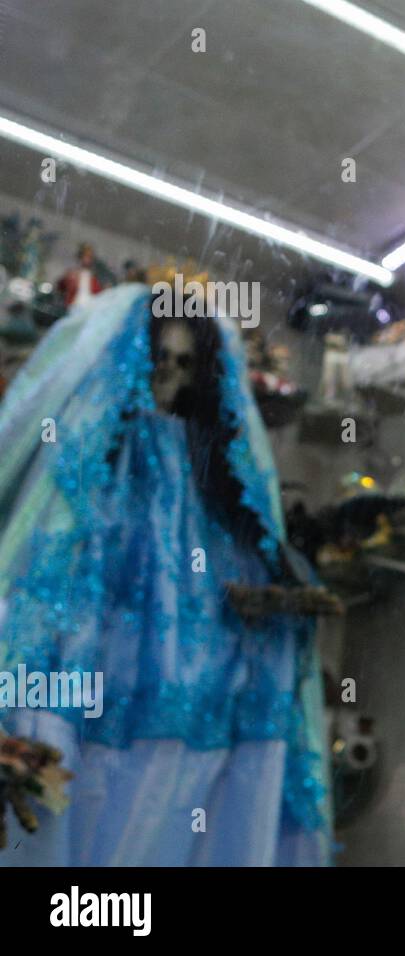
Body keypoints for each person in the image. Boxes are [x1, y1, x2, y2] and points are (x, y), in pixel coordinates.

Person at [0, 283, 331, 865]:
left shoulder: (211, 486)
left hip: (185, 692)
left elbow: (245, 576)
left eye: (184, 365)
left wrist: (274, 603)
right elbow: (40, 569)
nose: (167, 378)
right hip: (87, 672)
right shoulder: (91, 464)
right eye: (158, 361)